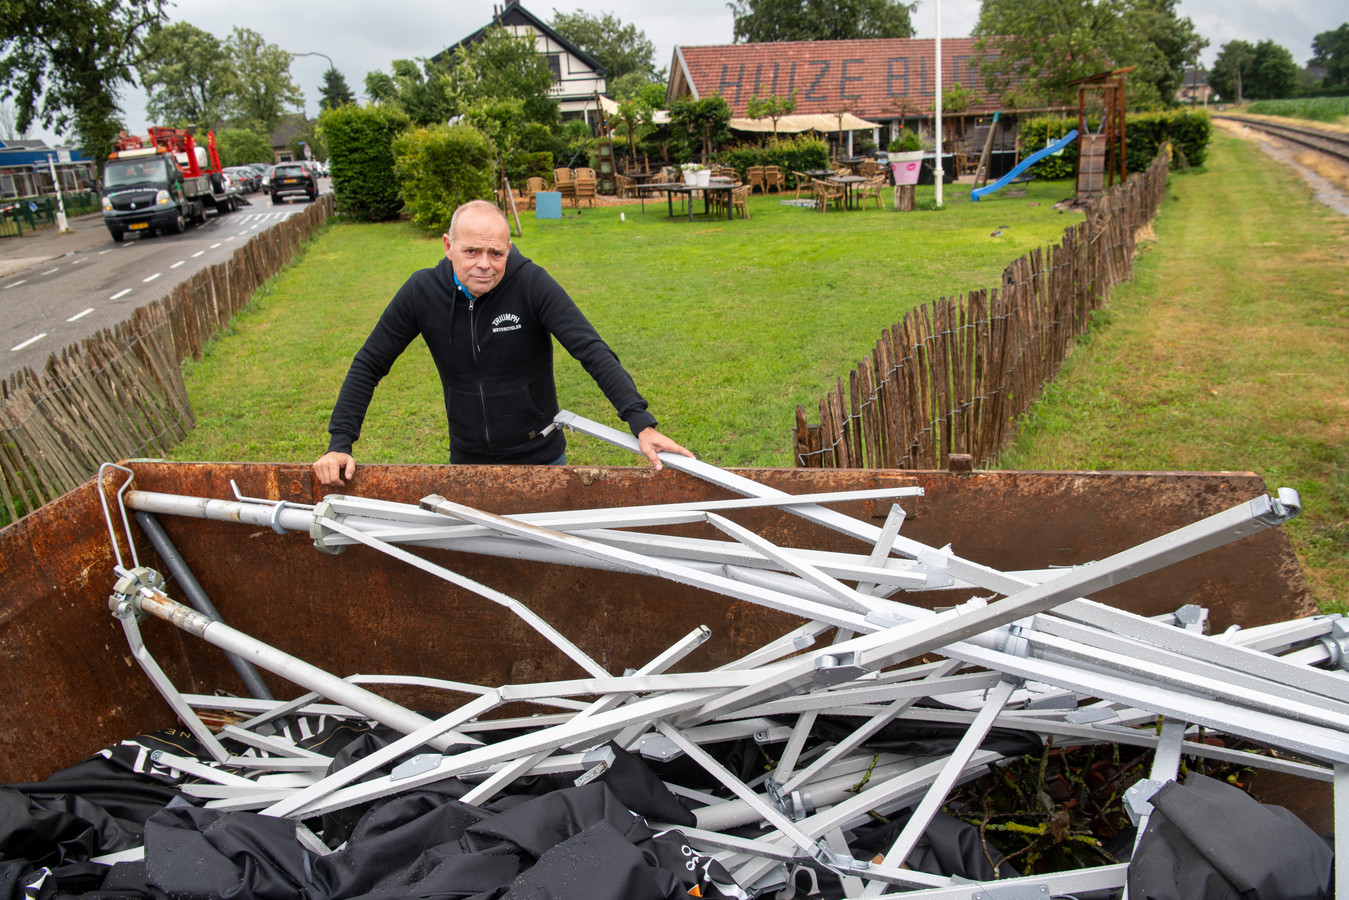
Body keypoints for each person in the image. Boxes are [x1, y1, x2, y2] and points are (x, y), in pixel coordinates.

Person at [313, 200, 691, 488]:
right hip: (468, 460)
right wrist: (340, 441)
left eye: (496, 253)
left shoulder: (531, 284)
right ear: (448, 246)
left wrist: (641, 423)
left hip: (541, 458)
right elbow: (369, 363)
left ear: (508, 249)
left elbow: (590, 349)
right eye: (471, 252)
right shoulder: (421, 292)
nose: (485, 264)